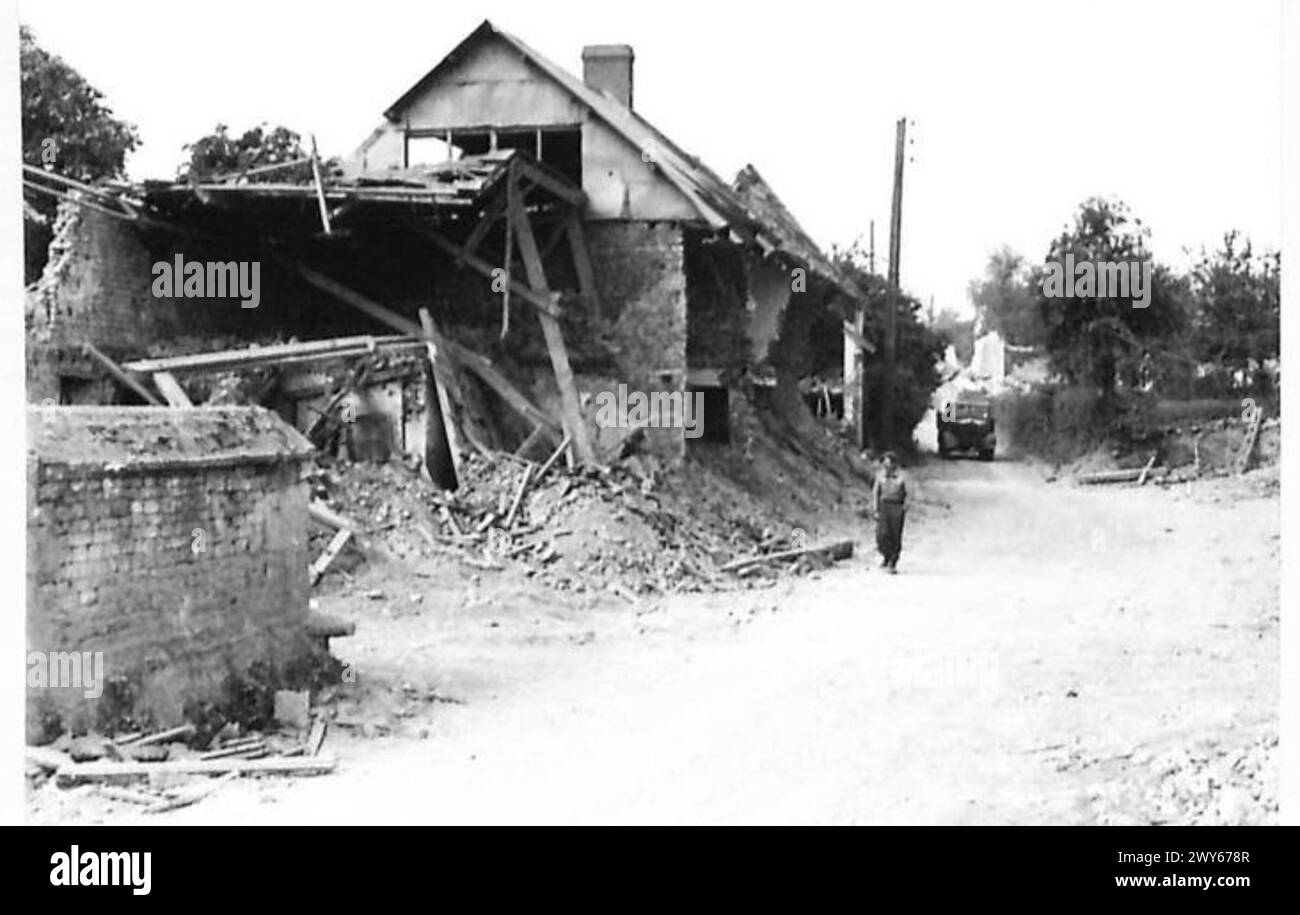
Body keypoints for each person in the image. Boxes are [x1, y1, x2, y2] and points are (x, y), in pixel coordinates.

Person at [872, 451, 909, 573]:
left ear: (894, 465)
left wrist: (905, 507)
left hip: (896, 506)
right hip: (884, 506)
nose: (886, 467)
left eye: (889, 464)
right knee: (881, 535)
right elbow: (876, 493)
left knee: (895, 534)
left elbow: (909, 493)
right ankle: (885, 555)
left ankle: (893, 560)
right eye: (884, 464)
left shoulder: (902, 476)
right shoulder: (880, 476)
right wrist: (875, 509)